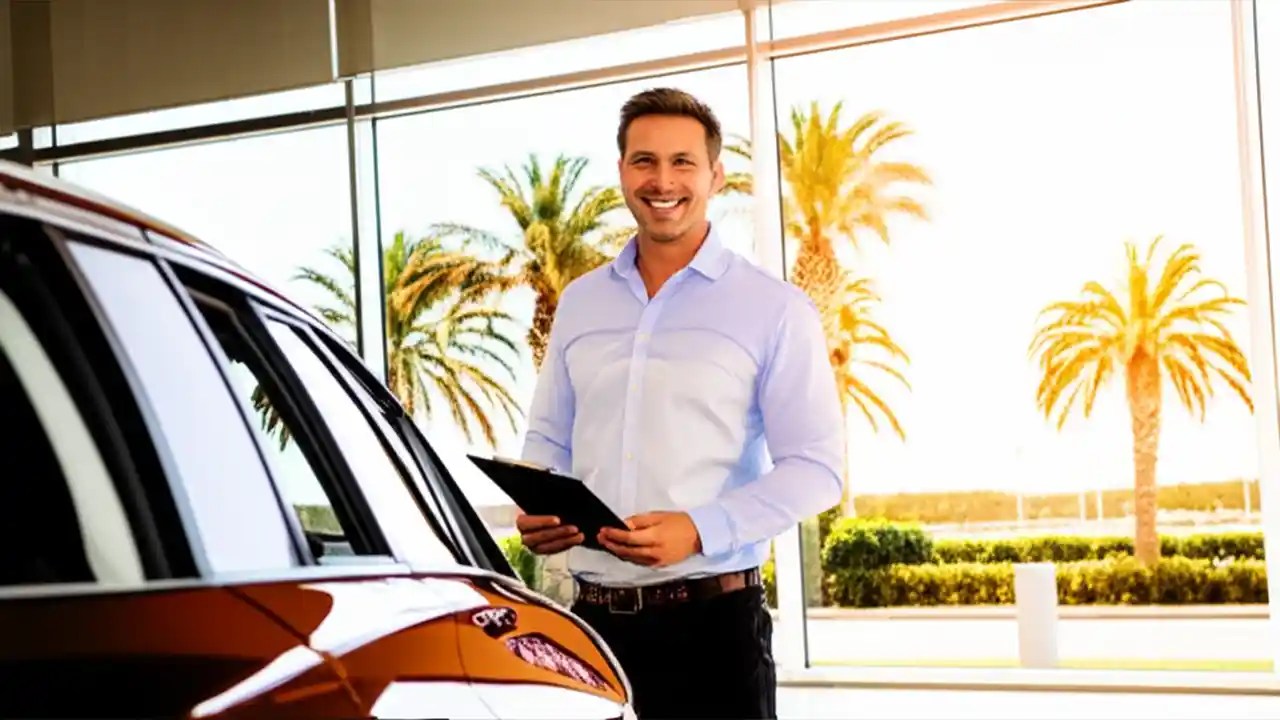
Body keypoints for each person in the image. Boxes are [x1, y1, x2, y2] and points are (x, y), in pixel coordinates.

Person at [516, 87, 843, 719]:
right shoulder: (582, 303)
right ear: (621, 173)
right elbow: (550, 436)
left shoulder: (773, 309)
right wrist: (538, 504)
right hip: (592, 633)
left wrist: (699, 528)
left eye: (682, 162)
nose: (662, 180)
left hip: (714, 633)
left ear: (716, 175)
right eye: (644, 161)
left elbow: (818, 468)